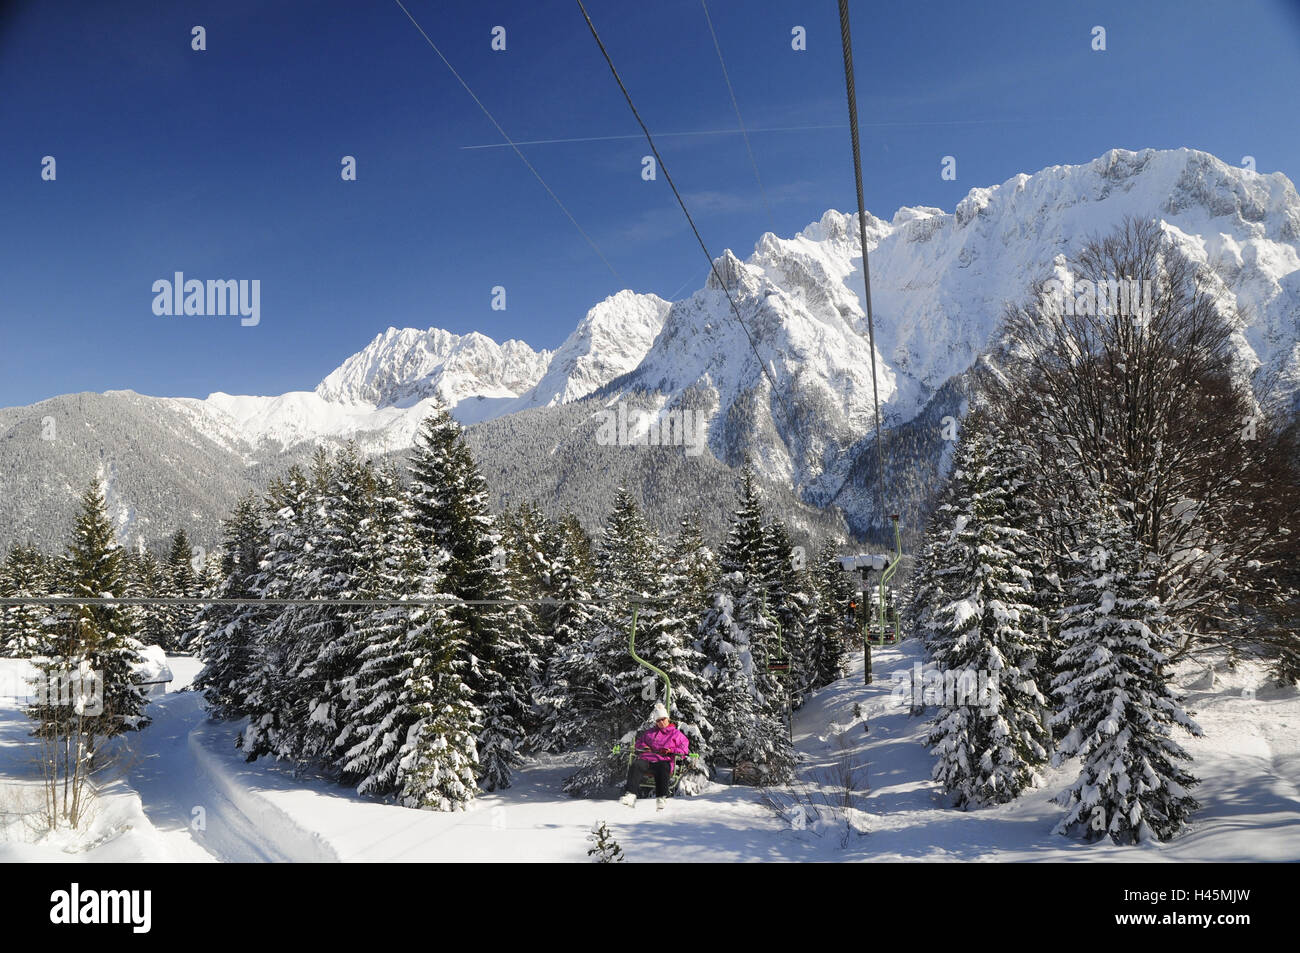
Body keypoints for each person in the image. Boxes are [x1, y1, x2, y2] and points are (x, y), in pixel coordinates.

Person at [619, 702, 689, 811]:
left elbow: (684, 750)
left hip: (663, 760)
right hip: (647, 759)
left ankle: (661, 797)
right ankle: (630, 795)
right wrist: (644, 747)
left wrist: (670, 750)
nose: (661, 722)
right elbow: (638, 743)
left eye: (663, 719)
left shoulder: (677, 735)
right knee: (637, 765)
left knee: (663, 768)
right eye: (658, 720)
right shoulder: (650, 733)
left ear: (668, 719)